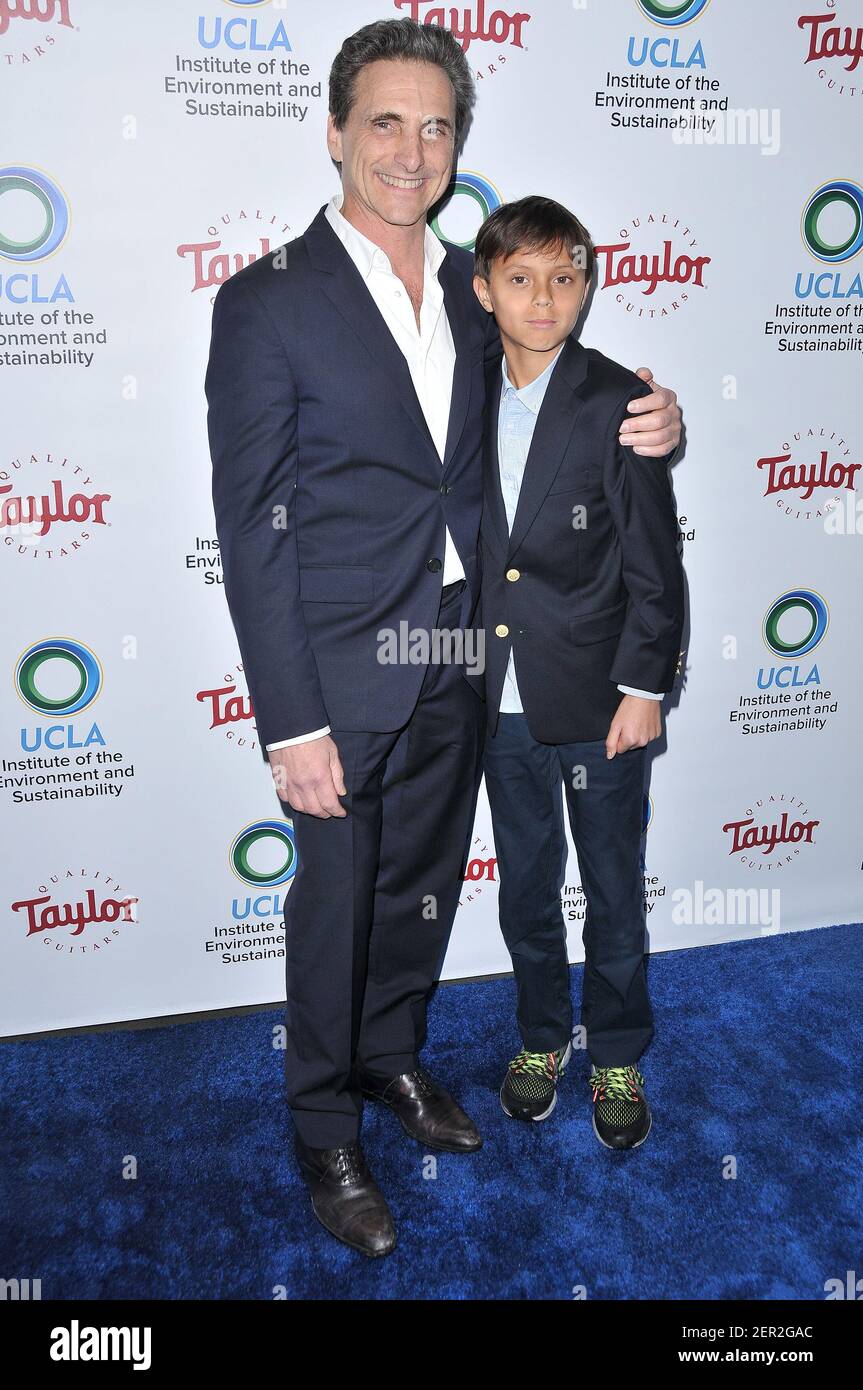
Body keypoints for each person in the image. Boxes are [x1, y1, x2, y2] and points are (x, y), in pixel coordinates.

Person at [205, 19, 682, 1258]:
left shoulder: (479, 299)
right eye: (384, 122)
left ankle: (389, 1064)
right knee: (334, 907)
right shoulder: (267, 304)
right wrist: (292, 720)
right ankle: (323, 1126)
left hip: (468, 657)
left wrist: (649, 413)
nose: (411, 150)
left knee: (418, 892)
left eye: (435, 125)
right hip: (340, 674)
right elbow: (252, 528)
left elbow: (555, 381)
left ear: (456, 140)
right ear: (333, 132)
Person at [472, 195, 685, 1149]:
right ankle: (538, 1037)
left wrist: (644, 689)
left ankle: (617, 1051)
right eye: (520, 279)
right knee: (525, 881)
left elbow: (653, 563)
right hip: (493, 699)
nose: (543, 298)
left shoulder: (617, 403)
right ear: (484, 291)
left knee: (610, 882)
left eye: (564, 278)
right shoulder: (455, 392)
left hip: (600, 700)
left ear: (587, 287)